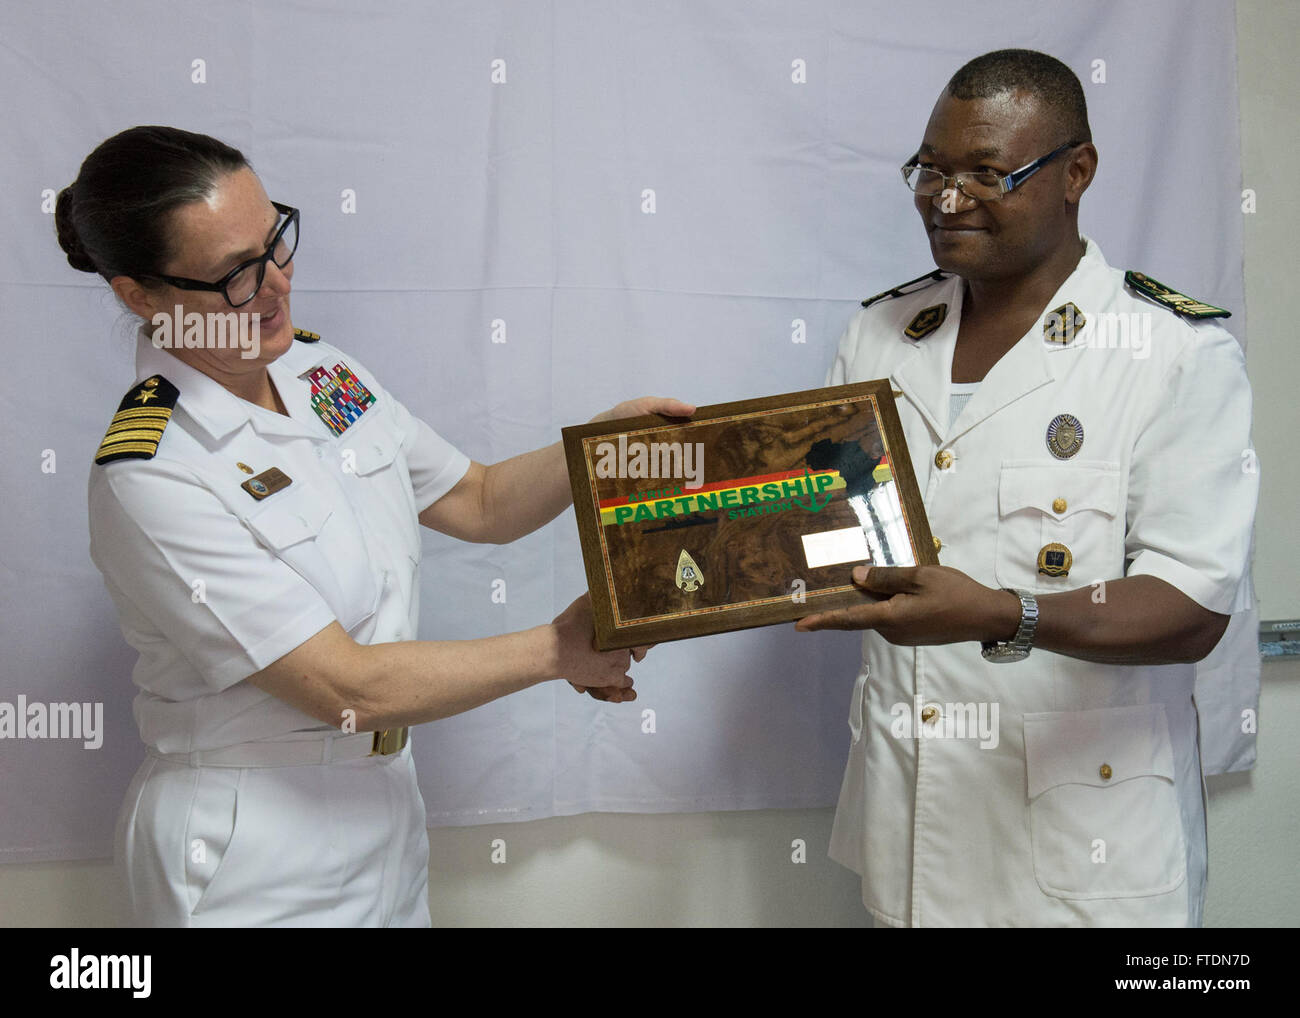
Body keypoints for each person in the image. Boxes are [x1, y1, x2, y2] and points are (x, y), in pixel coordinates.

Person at [57, 125, 692, 927]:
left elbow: (481, 499)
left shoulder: (320, 373)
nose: (276, 285)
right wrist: (559, 650)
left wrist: (600, 447)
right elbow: (343, 685)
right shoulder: (153, 472)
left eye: (276, 243)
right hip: (252, 847)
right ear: (139, 295)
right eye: (233, 276)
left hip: (385, 811)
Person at [795, 50, 1257, 926]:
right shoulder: (880, 335)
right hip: (911, 830)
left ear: (1076, 171)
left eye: (987, 173)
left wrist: (1003, 614)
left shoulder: (1173, 352)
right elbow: (830, 531)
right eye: (929, 169)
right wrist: (698, 546)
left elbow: (1192, 608)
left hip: (1085, 853)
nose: (947, 197)